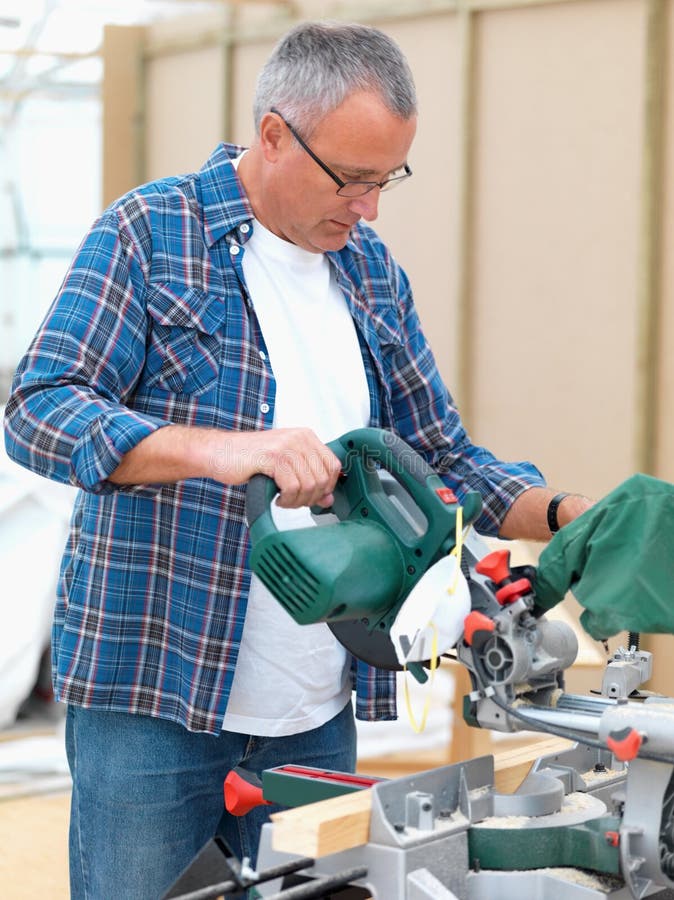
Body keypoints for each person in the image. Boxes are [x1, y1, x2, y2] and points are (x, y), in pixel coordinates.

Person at [3, 20, 592, 899]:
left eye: (385, 178)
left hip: (313, 714)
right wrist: (224, 451)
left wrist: (565, 515)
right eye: (352, 178)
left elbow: (439, 458)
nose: (370, 207)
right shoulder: (148, 235)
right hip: (155, 705)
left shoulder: (371, 274)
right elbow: (37, 408)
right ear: (275, 134)